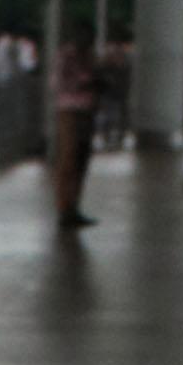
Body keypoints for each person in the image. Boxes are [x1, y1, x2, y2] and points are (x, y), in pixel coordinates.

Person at [51, 19, 99, 231]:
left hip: (87, 109)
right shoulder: (66, 56)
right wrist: (86, 81)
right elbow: (60, 82)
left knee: (82, 158)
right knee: (69, 158)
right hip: (70, 110)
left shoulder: (90, 56)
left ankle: (74, 205)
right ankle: (64, 207)